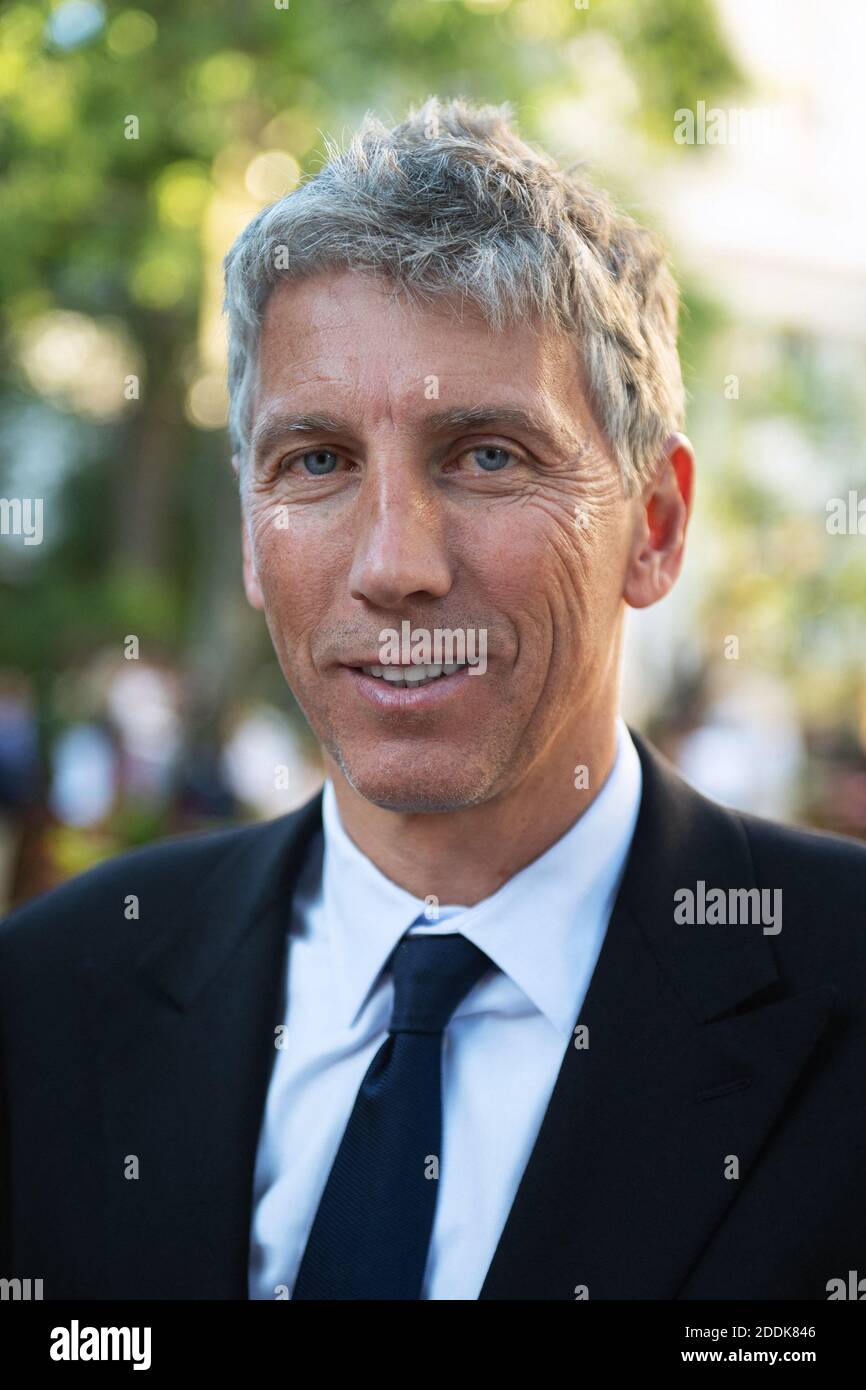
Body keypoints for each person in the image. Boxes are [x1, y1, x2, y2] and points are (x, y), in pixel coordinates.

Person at [1, 97, 864, 1302]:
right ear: (252, 531)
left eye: (486, 455)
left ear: (655, 526)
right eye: (317, 461)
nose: (392, 562)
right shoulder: (48, 997)